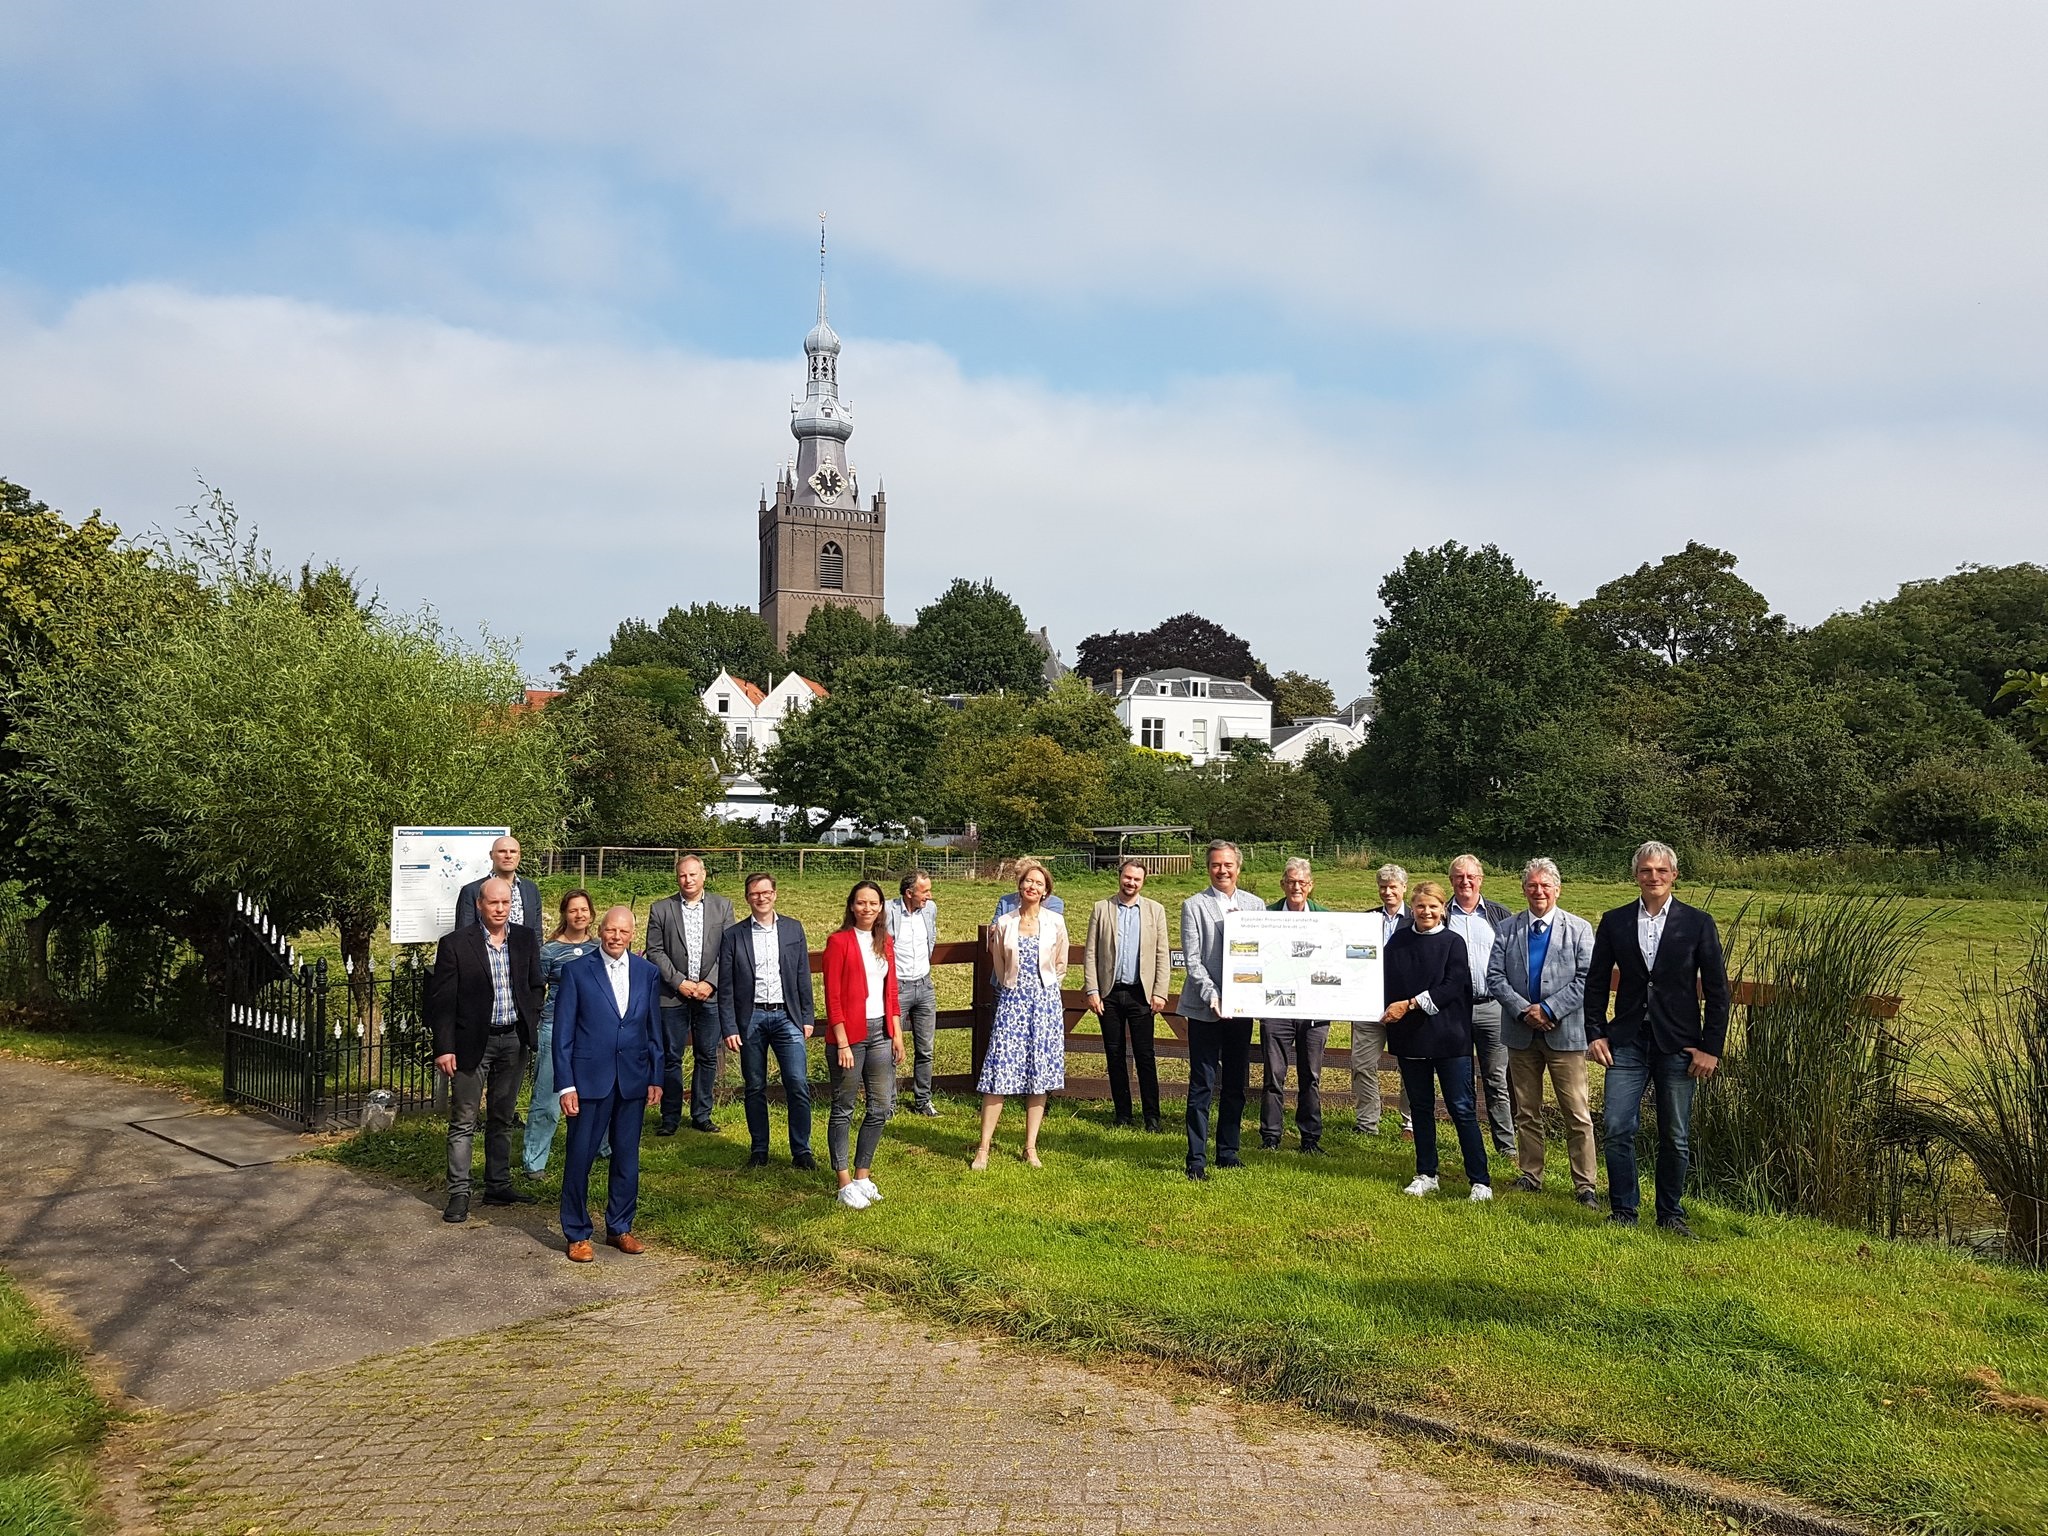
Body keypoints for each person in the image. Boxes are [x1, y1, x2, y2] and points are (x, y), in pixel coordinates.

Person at [1587, 841, 1731, 1238]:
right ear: (1636, 875)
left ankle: (1670, 1213)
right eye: (1646, 871)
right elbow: (1597, 983)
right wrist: (1595, 1032)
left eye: (1661, 871)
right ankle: (1623, 1211)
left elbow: (1718, 992)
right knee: (1617, 1125)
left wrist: (1711, 1048)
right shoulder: (1615, 921)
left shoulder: (1698, 923)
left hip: (1680, 1044)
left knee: (1675, 1133)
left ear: (1674, 876)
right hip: (1628, 1041)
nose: (1654, 877)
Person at [553, 905, 666, 1261]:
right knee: (580, 1157)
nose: (616, 937)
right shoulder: (576, 972)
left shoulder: (647, 972)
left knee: (626, 1158)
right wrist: (566, 1084)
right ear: (600, 930)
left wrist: (655, 1076)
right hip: (589, 1081)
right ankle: (577, 1232)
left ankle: (620, 1226)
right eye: (610, 930)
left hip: (632, 1079)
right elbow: (563, 1034)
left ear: (633, 935)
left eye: (624, 932)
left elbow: (653, 1030)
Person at [429, 876, 543, 1224]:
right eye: (493, 903)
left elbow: (536, 984)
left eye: (505, 903)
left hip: (513, 1039)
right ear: (479, 904)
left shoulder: (524, 939)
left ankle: (497, 1184)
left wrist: (530, 1016)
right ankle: (459, 1193)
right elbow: (442, 1001)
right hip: (471, 1042)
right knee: (464, 1121)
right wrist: (445, 1047)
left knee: (502, 1117)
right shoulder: (455, 944)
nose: (499, 909)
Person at [1487, 858, 1598, 1207]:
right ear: (1523, 889)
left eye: (1545, 886)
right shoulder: (1507, 929)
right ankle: (1530, 1174)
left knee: (1576, 1113)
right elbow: (1495, 977)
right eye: (1532, 886)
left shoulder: (1579, 929)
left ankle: (1585, 1185)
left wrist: (1549, 1009)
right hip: (1521, 1034)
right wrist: (1525, 1010)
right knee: (1526, 1109)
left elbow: (1587, 979)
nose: (1539, 892)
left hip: (1564, 1035)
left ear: (1557, 889)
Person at [1382, 880, 1491, 1202]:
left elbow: (1453, 984)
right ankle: (1426, 1174)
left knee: (1462, 1108)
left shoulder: (1453, 942)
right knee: (1420, 1108)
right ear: (1412, 908)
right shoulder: (1398, 941)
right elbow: (1382, 980)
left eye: (1433, 906)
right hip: (1410, 1038)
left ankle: (1480, 1181)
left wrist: (1412, 1004)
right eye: (1420, 906)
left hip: (1449, 1039)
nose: (1426, 911)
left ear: (1443, 909)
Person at [715, 872, 816, 1169]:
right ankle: (759, 1149)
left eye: (766, 892)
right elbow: (726, 985)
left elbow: (802, 975)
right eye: (755, 894)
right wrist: (730, 1026)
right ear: (748, 898)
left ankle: (802, 1150)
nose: (761, 898)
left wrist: (807, 1017)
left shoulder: (793, 929)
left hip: (787, 1016)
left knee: (797, 1083)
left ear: (775, 894)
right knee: (755, 1085)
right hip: (751, 1018)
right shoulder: (734, 935)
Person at [1178, 840, 1266, 1181]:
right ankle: (1196, 1158)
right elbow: (1194, 960)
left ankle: (1228, 1152)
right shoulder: (1194, 905)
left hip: (1240, 1008)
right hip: (1205, 1008)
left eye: (1228, 864)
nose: (1222, 870)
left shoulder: (1254, 905)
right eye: (1216, 864)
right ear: (1208, 868)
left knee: (1235, 1083)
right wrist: (1212, 995)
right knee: (1202, 1084)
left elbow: (1261, 956)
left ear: (1238, 867)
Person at [974, 863, 1070, 1169]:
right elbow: (999, 963)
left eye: (1039, 883)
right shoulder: (1005, 922)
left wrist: (1044, 989)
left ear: (1046, 891)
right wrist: (1012, 988)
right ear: (1020, 886)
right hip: (1012, 1003)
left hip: (1045, 1005)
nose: (1032, 886)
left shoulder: (1056, 922)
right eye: (1028, 881)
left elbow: (1061, 963)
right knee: (998, 1072)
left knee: (1038, 1076)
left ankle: (1030, 1147)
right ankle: (984, 1147)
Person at [823, 880, 905, 1208]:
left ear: (881, 907)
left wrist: (897, 1034)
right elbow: (833, 997)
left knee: (881, 1106)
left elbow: (892, 992)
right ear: (852, 906)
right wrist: (842, 1043)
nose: (867, 908)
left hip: (880, 1033)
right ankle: (844, 1183)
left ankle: (862, 1175)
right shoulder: (839, 942)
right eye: (861, 903)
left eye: (873, 903)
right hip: (850, 1036)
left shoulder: (885, 942)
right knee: (844, 1107)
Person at [645, 854, 734, 1135]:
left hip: (710, 994)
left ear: (704, 875)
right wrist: (679, 982)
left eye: (693, 874)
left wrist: (710, 982)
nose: (688, 880)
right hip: (673, 995)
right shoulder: (661, 909)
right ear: (677, 877)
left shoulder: (723, 907)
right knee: (671, 1056)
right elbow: (655, 951)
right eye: (683, 875)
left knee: (706, 1055)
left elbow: (729, 950)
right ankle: (669, 1116)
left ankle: (701, 1114)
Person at [1082, 860, 1170, 1132]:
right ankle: (1122, 1113)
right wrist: (1093, 990)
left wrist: (1160, 992)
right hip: (1109, 993)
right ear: (1119, 876)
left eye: (1137, 880)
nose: (1131, 883)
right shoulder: (1101, 908)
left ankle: (1152, 1116)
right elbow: (1091, 953)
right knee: (1114, 1054)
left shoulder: (1155, 911)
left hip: (1141, 994)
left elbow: (1161, 954)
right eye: (1127, 877)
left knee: (1145, 1055)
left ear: (1143, 882)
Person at [522, 889, 600, 1179]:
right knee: (549, 1097)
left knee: (595, 1093)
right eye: (573, 910)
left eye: (584, 910)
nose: (579, 915)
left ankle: (600, 1147)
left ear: (591, 914)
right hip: (556, 1028)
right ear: (564, 914)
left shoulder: (600, 948)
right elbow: (536, 989)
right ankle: (535, 1160)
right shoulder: (549, 951)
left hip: (592, 1030)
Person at [1446, 854, 1515, 1158]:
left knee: (1496, 1079)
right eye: (1459, 876)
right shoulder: (1441, 914)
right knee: (1459, 1079)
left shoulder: (1500, 916)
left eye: (1471, 876)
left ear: (1481, 880)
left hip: (1492, 1008)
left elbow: (1516, 960)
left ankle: (1507, 1147)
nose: (1465, 882)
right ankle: (1470, 1148)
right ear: (1451, 881)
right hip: (1454, 1011)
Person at [1260, 856, 1329, 1154]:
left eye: (1301, 882)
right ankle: (1271, 1136)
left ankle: (1310, 1139)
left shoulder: (1326, 918)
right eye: (1290, 881)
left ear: (1310, 886)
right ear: (1282, 884)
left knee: (1310, 1076)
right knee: (1274, 1075)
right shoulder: (1266, 915)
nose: (1296, 886)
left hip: (1315, 1009)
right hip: (1277, 1008)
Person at [1352, 864, 1414, 1138]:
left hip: (1405, 1006)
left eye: (1393, 887)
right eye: (1383, 887)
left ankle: (1410, 1123)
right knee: (1362, 1064)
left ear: (1404, 888)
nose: (1387, 892)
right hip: (1369, 1004)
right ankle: (1367, 1122)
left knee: (1410, 1065)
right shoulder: (1366, 921)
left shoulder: (1418, 919)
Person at [885, 871, 942, 1117]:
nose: (929, 896)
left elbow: (931, 940)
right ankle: (889, 1103)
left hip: (924, 985)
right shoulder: (888, 910)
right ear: (909, 893)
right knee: (890, 1047)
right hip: (897, 987)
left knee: (925, 1047)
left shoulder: (930, 910)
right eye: (925, 891)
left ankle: (923, 1100)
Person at [455, 835, 542, 938]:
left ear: (519, 856)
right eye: (502, 851)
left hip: (523, 952)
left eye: (513, 852)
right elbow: (464, 935)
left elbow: (536, 933)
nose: (508, 856)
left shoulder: (531, 889)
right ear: (491, 855)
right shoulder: (472, 891)